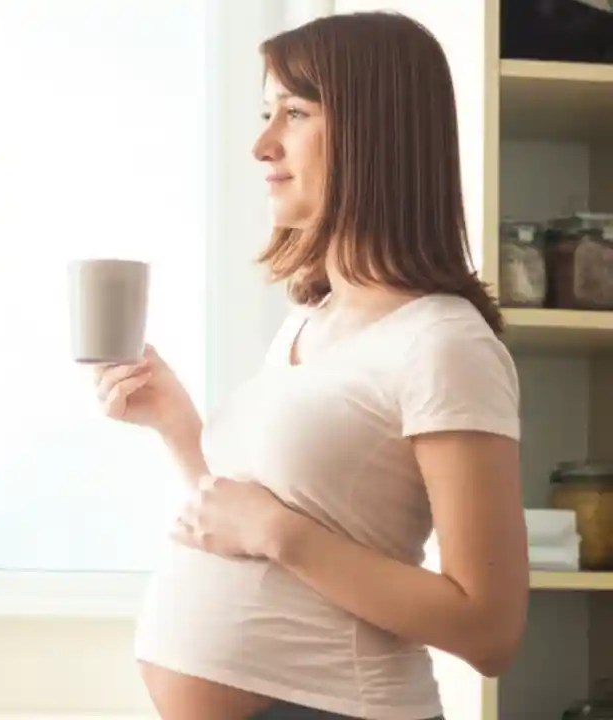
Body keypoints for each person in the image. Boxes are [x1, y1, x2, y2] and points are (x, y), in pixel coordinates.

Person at [92, 12, 529, 720]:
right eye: (267, 112)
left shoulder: (446, 345)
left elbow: (489, 627)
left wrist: (278, 532)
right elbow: (258, 532)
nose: (262, 144)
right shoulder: (312, 322)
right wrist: (178, 427)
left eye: (293, 113)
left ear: (374, 133)